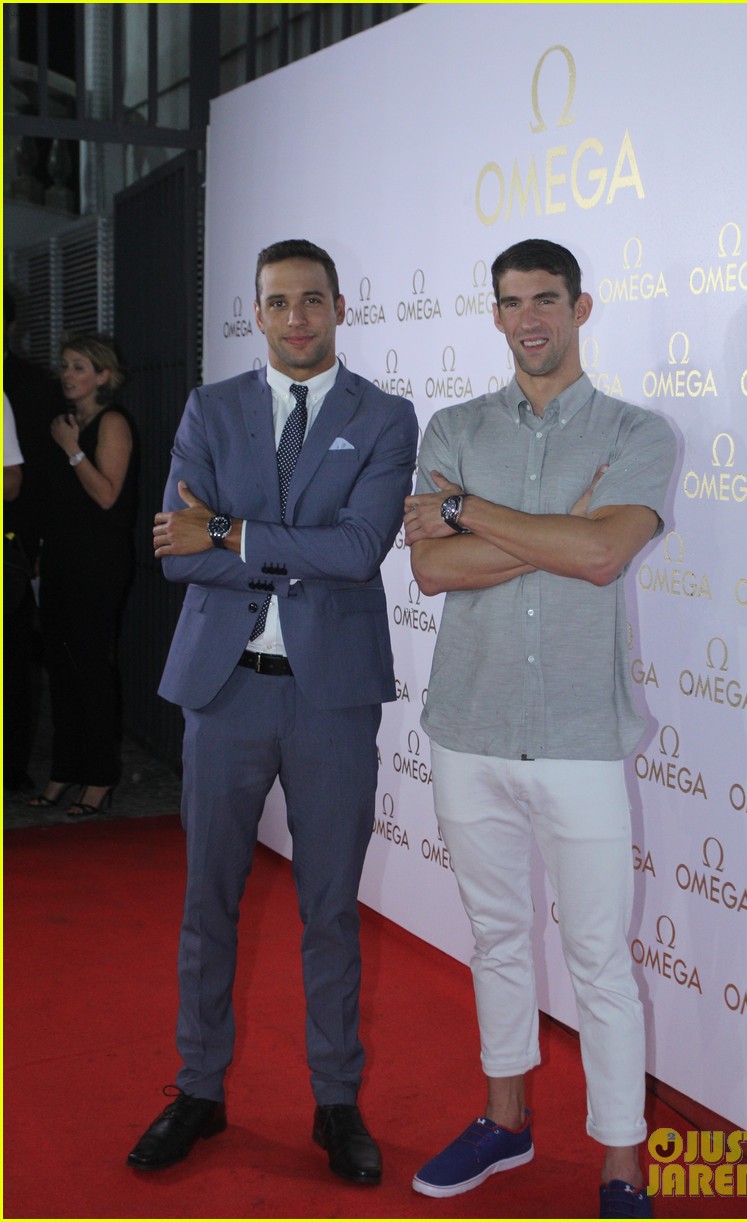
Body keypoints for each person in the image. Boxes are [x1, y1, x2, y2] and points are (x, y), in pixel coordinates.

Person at [127, 239, 418, 1183]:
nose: (296, 318)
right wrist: (258, 540)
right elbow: (177, 552)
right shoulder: (210, 409)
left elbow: (361, 548)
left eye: (312, 301)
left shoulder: (385, 417)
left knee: (330, 911)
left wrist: (234, 531)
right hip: (224, 690)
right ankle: (200, 1091)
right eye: (277, 302)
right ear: (255, 313)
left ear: (340, 307)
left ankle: (335, 1103)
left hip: (332, 701)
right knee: (208, 906)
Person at [403, 239, 676, 1219]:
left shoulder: (637, 431)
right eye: (512, 301)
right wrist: (557, 526)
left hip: (579, 737)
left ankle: (619, 1165)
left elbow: (605, 555)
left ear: (581, 306)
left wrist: (475, 515)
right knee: (497, 935)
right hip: (468, 725)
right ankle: (505, 1119)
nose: (530, 317)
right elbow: (434, 571)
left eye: (547, 299)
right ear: (493, 314)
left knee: (601, 956)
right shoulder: (453, 425)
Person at [28, 332, 135, 816]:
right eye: (64, 366)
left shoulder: (112, 423)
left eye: (78, 367)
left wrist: (73, 449)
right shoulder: (65, 423)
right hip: (60, 560)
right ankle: (65, 769)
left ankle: (100, 777)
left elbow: (108, 495)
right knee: (61, 668)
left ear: (103, 376)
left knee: (90, 668)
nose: (67, 375)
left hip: (98, 563)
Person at [3, 288, 64, 792]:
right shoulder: (36, 383)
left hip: (16, 542)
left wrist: (38, 542)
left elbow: (35, 475)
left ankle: (12, 765)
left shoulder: (33, 386)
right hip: (24, 538)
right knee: (15, 662)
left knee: (15, 662)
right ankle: (13, 767)